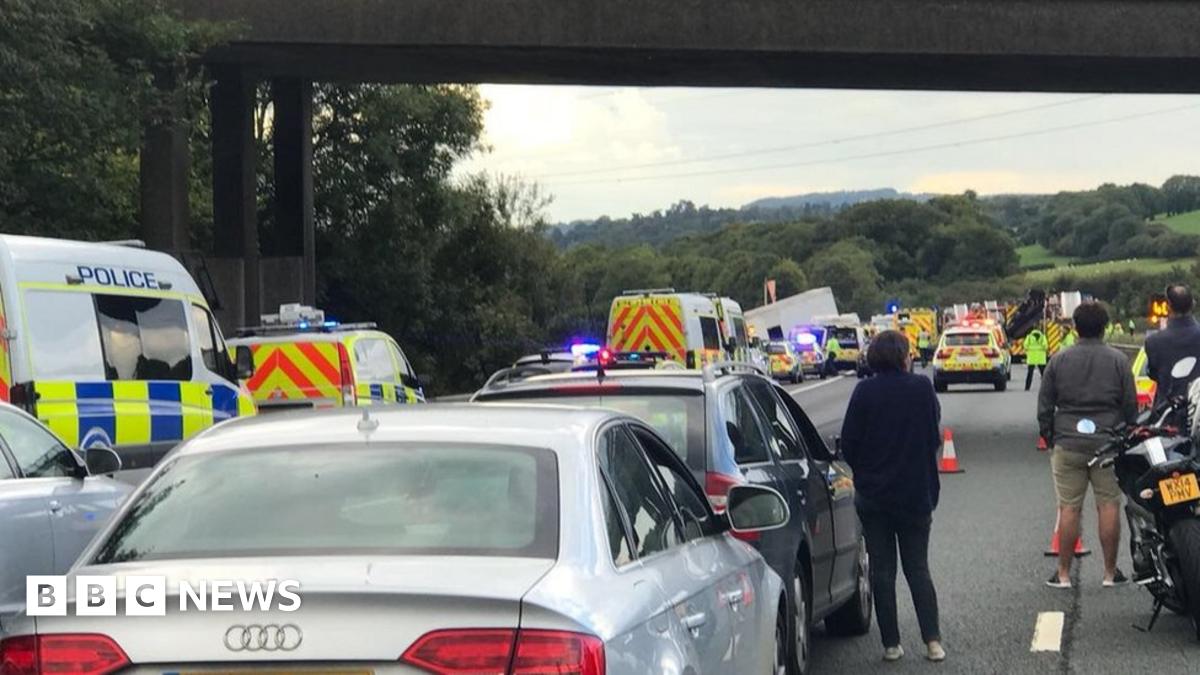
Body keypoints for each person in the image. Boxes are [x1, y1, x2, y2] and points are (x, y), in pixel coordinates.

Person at [841, 330, 945, 663]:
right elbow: (933, 435)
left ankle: (891, 643)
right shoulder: (921, 389)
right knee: (918, 568)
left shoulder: (864, 392)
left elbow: (850, 443)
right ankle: (932, 641)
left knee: (882, 571)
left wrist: (867, 473)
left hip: (874, 497)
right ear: (903, 356)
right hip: (915, 492)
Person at [1038, 302, 1137, 588]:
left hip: (1068, 441)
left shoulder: (1059, 360)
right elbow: (1130, 404)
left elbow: (1045, 404)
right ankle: (1110, 572)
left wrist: (1050, 435)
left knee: (1069, 507)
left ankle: (1064, 573)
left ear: (1075, 327)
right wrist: (1126, 432)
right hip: (1107, 442)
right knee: (1108, 505)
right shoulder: (1118, 360)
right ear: (1105, 327)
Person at [1144, 284, 1200, 411]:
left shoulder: (1154, 341)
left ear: (1168, 306)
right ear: (1193, 304)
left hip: (1168, 414)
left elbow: (1153, 373)